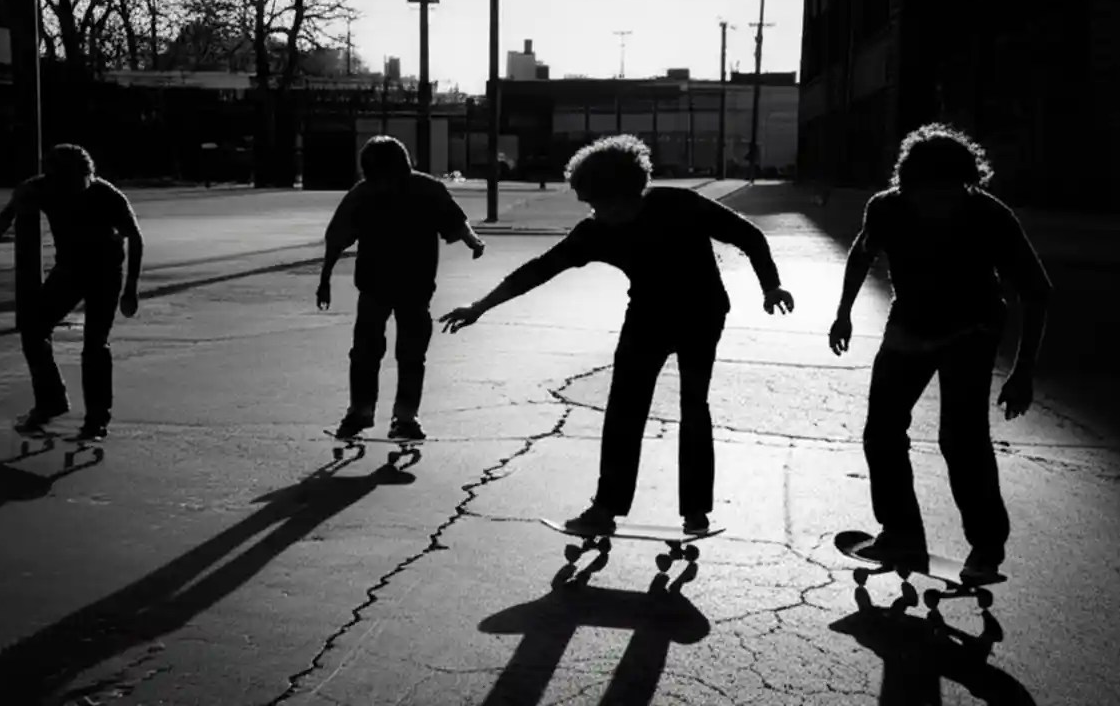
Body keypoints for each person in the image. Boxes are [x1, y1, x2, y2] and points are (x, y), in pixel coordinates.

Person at [439, 134, 795, 535]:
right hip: (647, 317)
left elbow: (749, 236)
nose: (594, 213)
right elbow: (539, 270)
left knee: (694, 405)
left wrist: (771, 286)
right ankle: (605, 509)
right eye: (589, 204)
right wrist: (480, 307)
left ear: (627, 193)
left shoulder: (679, 205)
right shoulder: (595, 232)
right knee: (624, 408)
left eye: (598, 203)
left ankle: (695, 512)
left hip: (702, 314)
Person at [827, 122, 1052, 580]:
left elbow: (1038, 290)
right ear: (906, 184)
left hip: (972, 328)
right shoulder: (886, 208)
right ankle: (900, 531)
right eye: (923, 193)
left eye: (946, 194)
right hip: (909, 325)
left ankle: (987, 547)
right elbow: (861, 253)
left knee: (961, 438)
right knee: (882, 431)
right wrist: (843, 311)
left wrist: (1024, 369)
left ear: (964, 185)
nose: (934, 204)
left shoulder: (989, 215)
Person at [0, 143, 144, 440]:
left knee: (95, 344)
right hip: (69, 270)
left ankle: (96, 420)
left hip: (105, 272)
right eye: (70, 184)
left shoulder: (106, 194)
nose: (78, 189)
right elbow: (8, 214)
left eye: (83, 182)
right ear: (55, 179)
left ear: (90, 174)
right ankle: (51, 400)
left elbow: (136, 239)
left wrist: (131, 289)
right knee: (33, 327)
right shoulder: (39, 188)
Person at [317, 135, 487, 440]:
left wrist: (326, 278)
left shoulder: (370, 192)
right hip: (410, 285)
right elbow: (457, 223)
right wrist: (472, 241)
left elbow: (337, 236)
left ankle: (365, 411)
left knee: (369, 352)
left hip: (382, 285)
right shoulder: (422, 188)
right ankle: (401, 416)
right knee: (407, 354)